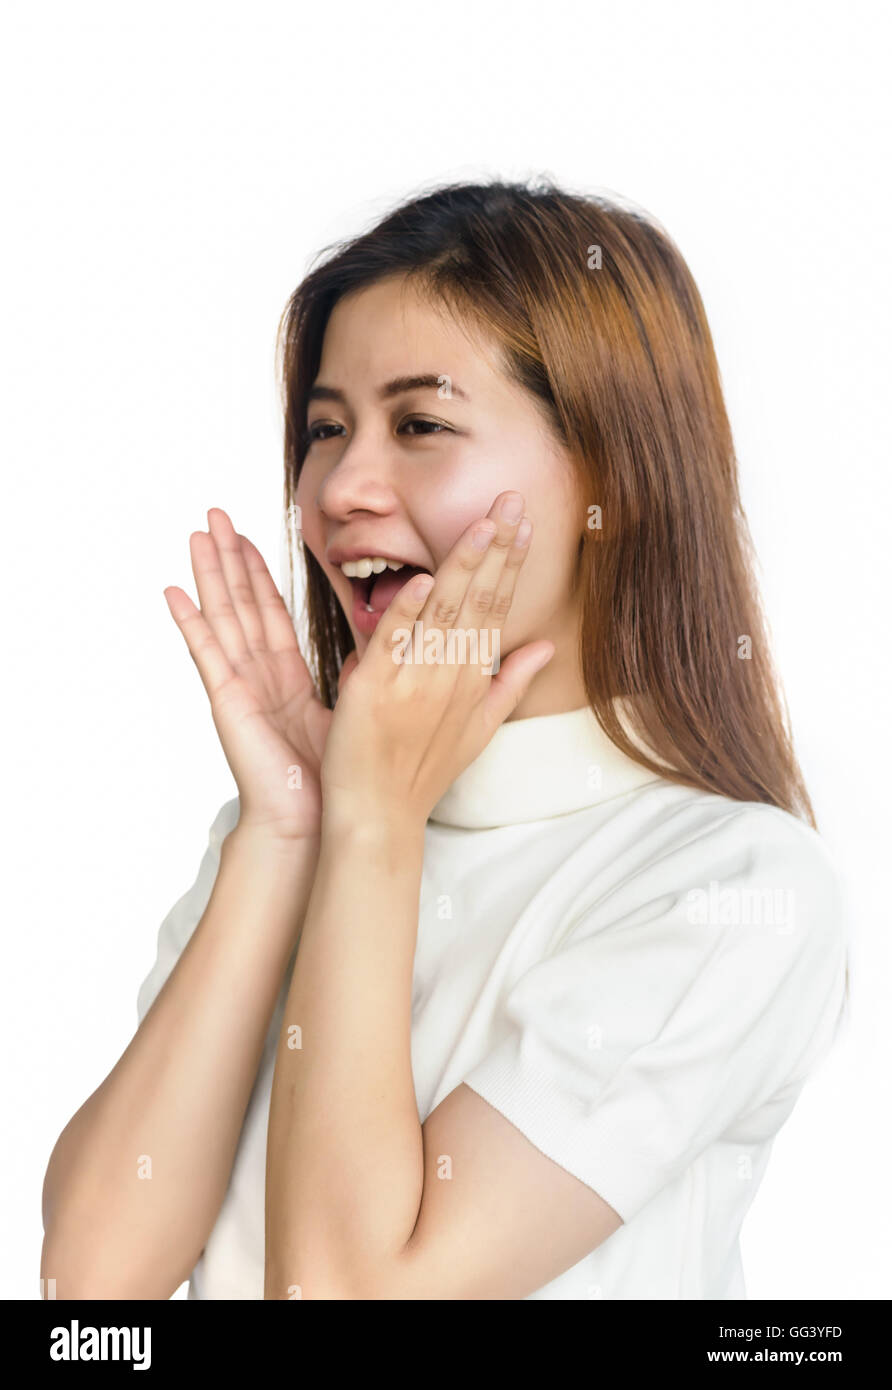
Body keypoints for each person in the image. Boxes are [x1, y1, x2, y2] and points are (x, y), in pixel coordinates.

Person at [40, 179, 849, 1300]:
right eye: (327, 430)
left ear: (607, 475)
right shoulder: (286, 832)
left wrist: (373, 824)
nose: (341, 490)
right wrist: (287, 833)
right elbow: (91, 1285)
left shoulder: (725, 890)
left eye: (420, 424)